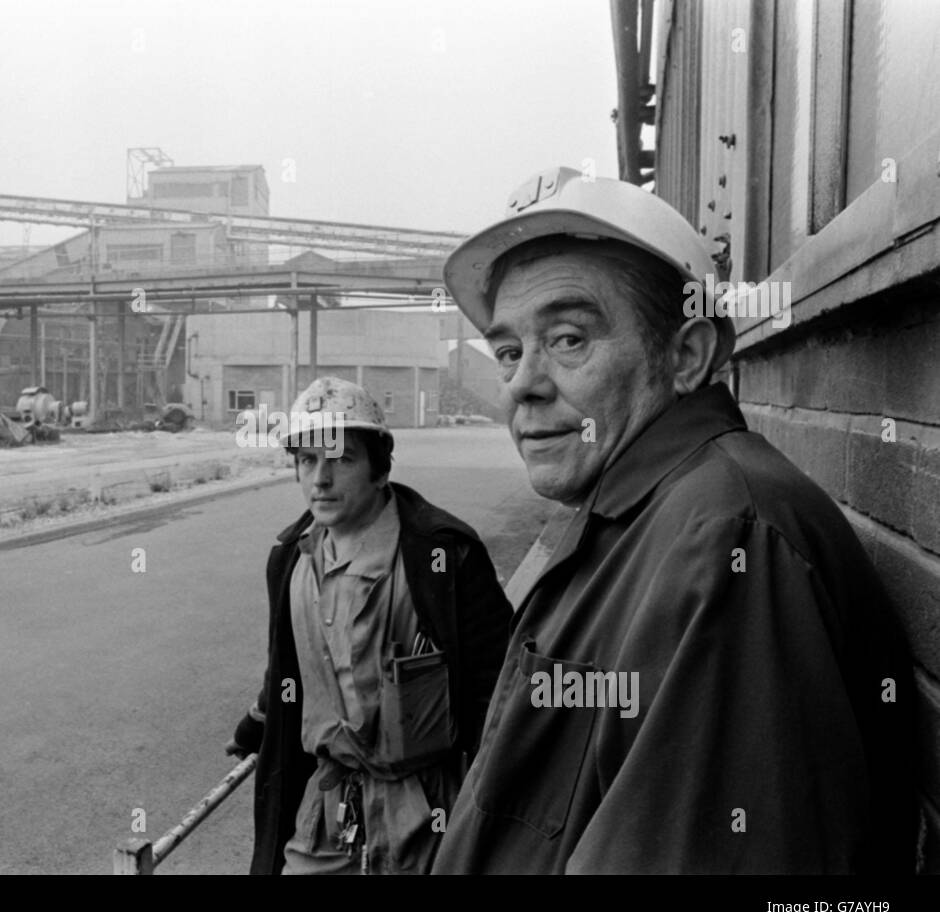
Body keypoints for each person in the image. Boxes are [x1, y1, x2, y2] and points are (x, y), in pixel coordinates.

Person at [432, 166, 917, 874]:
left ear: (686, 354)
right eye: (509, 351)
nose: (522, 386)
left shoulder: (727, 544)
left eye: (568, 339)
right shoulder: (634, 514)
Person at [226, 377, 511, 874]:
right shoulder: (290, 560)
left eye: (341, 459)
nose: (320, 479)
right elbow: (290, 669)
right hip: (329, 805)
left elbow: (500, 688)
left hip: (425, 809)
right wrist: (258, 721)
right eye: (308, 460)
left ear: (380, 469)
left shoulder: (441, 556)